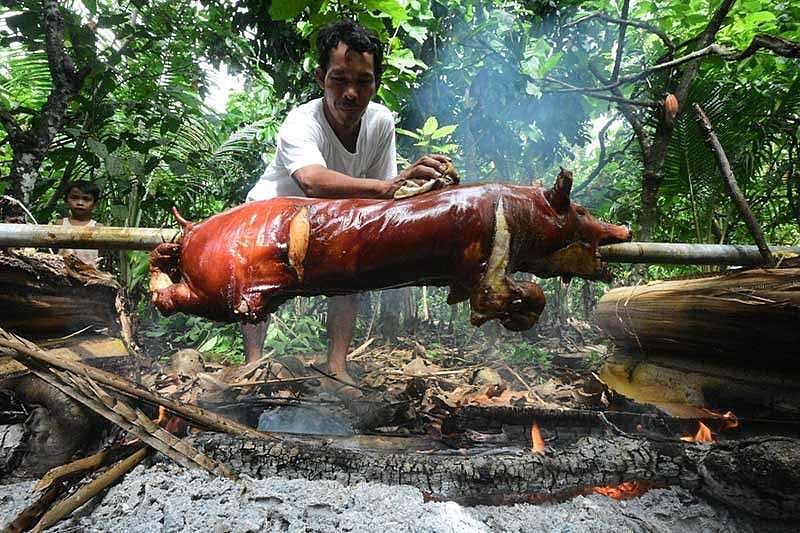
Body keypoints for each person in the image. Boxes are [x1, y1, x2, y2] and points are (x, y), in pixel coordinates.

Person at [244, 20, 451, 393]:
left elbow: (382, 199)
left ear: (376, 83)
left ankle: (336, 367)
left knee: (352, 270)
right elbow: (311, 180)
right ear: (321, 77)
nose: (351, 93)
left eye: (363, 81)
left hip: (334, 219)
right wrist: (392, 186)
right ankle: (253, 364)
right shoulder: (300, 121)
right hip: (274, 215)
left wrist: (426, 192)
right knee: (258, 282)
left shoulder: (381, 122)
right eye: (339, 79)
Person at [53, 180, 104, 267]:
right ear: (66, 200)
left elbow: (101, 255)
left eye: (86, 199)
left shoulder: (98, 227)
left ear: (95, 204)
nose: (80, 203)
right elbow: (53, 251)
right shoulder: (60, 224)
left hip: (89, 274)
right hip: (61, 273)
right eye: (74, 198)